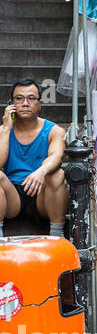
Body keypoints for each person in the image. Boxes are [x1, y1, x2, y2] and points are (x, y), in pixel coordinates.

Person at [0, 80, 68, 238]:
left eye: (31, 98)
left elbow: (57, 156)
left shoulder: (54, 130)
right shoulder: (3, 131)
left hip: (42, 195)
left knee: (57, 175)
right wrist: (7, 128)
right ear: (11, 103)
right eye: (19, 98)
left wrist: (41, 172)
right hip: (12, 199)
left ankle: (57, 235)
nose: (25, 103)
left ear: (40, 103)